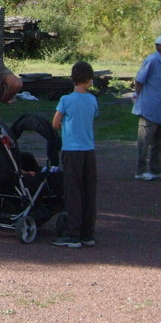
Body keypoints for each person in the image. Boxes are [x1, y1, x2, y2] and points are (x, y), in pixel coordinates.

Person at [52, 61, 100, 248]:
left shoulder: (66, 100)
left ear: (73, 78)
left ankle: (73, 233)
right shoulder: (92, 100)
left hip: (72, 150)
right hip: (89, 149)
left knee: (73, 192)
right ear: (89, 80)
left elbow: (55, 123)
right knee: (89, 191)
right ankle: (88, 233)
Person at [132, 34, 161, 180]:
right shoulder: (152, 60)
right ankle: (140, 172)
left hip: (160, 108)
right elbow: (139, 80)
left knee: (159, 142)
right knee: (144, 142)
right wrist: (137, 96)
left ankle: (157, 169)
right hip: (149, 108)